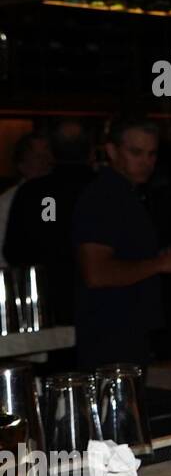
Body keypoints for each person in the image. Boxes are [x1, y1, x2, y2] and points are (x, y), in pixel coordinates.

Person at [71, 117, 171, 371]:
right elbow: (96, 273)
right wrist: (163, 263)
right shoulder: (104, 197)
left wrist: (162, 258)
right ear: (112, 151)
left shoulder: (128, 194)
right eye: (136, 152)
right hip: (108, 335)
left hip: (127, 331)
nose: (146, 162)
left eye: (152, 154)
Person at [3, 120, 95, 326]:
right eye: (37, 157)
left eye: (44, 155)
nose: (43, 161)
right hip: (93, 302)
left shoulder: (37, 193)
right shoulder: (106, 189)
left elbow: (16, 250)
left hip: (51, 300)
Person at [0, 132, 53, 258]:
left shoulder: (57, 196)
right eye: (37, 157)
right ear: (21, 165)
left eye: (48, 156)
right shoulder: (7, 202)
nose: (45, 162)